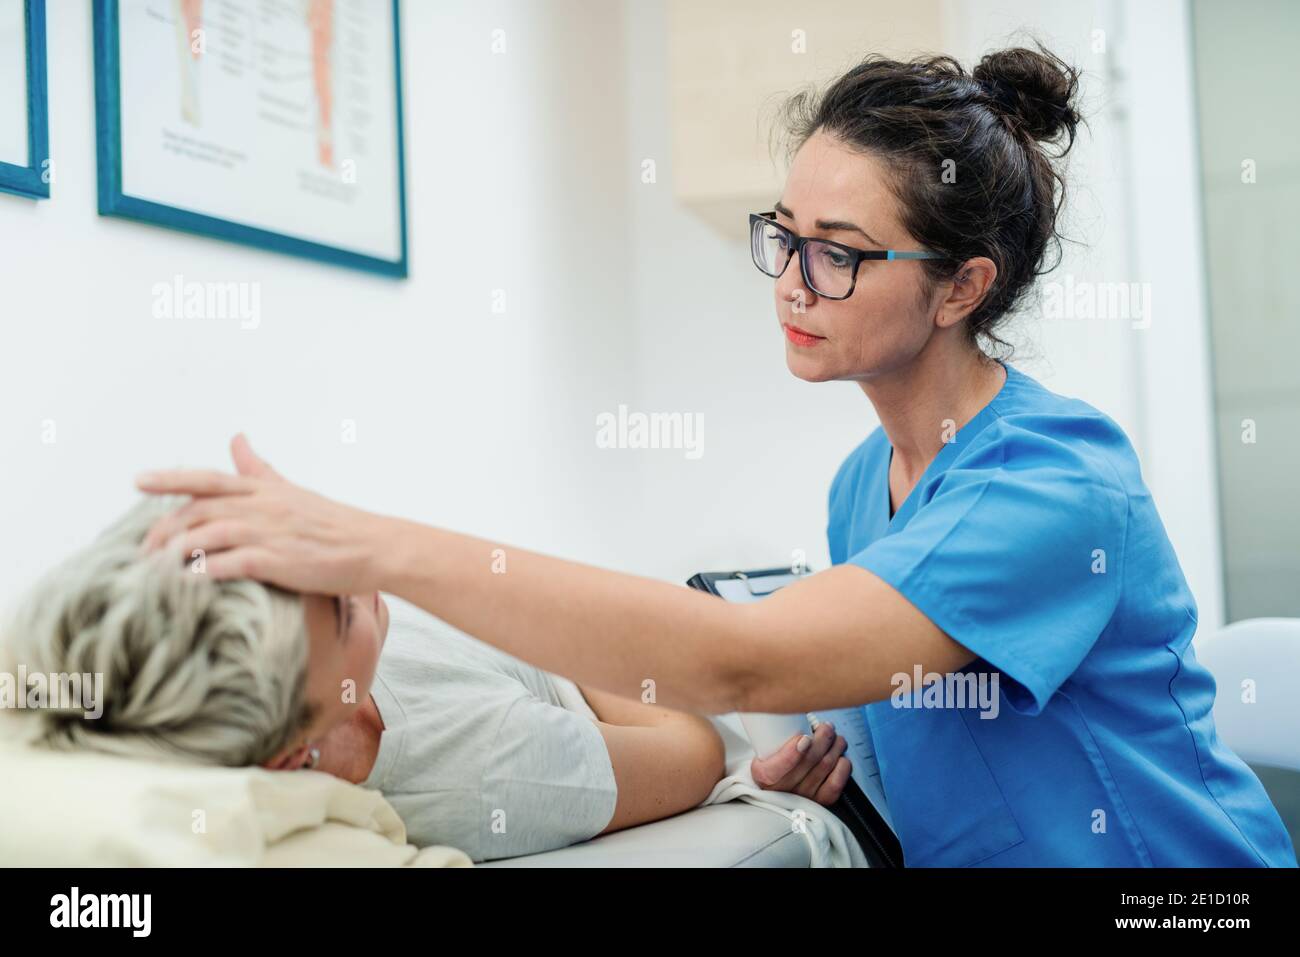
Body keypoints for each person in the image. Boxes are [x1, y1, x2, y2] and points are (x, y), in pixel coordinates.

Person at [135, 46, 1297, 867]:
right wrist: (816, 774)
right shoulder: (863, 486)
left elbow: (739, 663)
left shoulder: (1057, 485)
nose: (791, 282)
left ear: (962, 286)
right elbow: (918, 722)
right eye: (783, 236)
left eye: (838, 253)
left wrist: (374, 543)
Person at [0, 497, 736, 862]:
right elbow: (695, 751)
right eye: (338, 604)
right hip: (631, 682)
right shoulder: (496, 773)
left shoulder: (282, 648)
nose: (360, 574)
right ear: (291, 753)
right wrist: (558, 633)